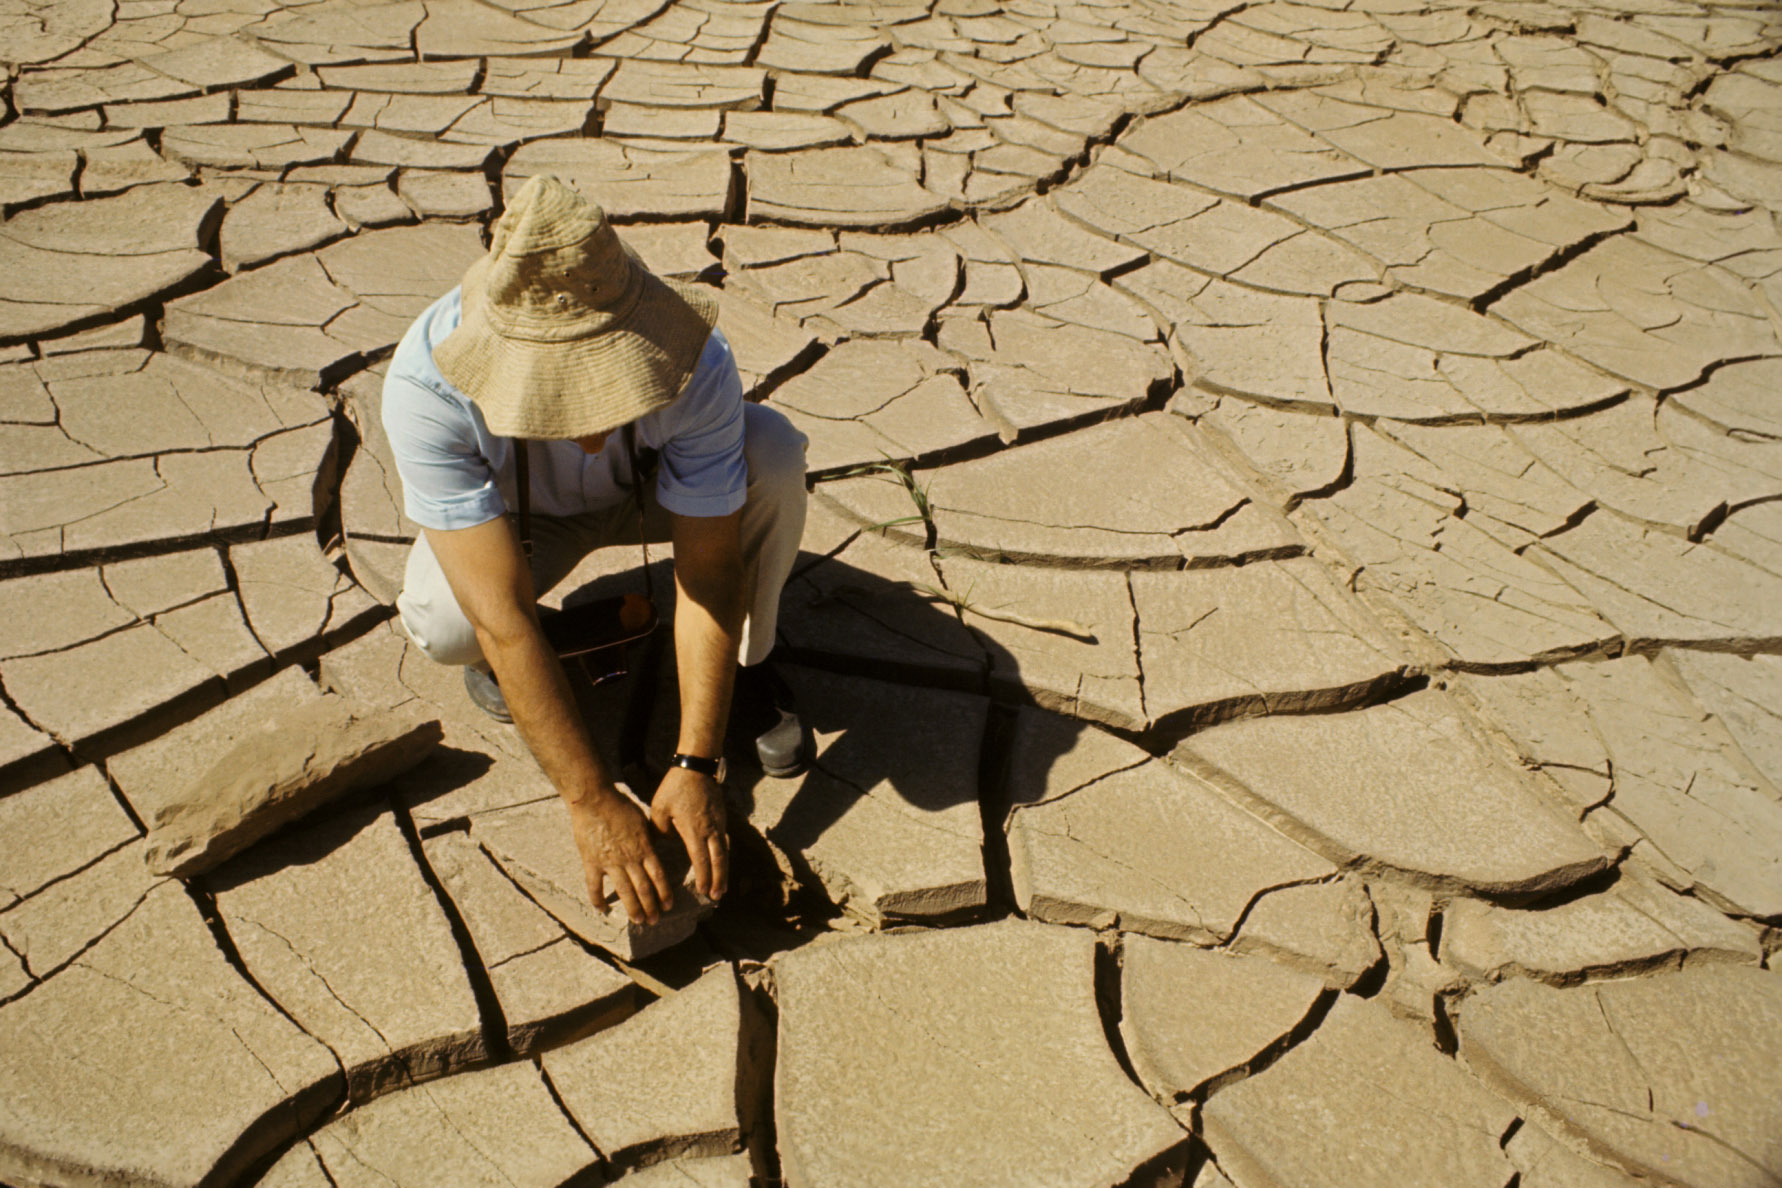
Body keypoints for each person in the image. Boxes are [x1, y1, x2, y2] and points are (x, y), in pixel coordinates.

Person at [380, 174, 810, 928]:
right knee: (449, 621)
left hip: (649, 497)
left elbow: (709, 569)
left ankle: (747, 666)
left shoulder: (694, 357)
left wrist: (697, 762)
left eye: (611, 391)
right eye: (559, 401)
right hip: (517, 524)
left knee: (770, 456)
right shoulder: (428, 386)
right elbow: (501, 615)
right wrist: (589, 796)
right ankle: (523, 676)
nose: (588, 435)